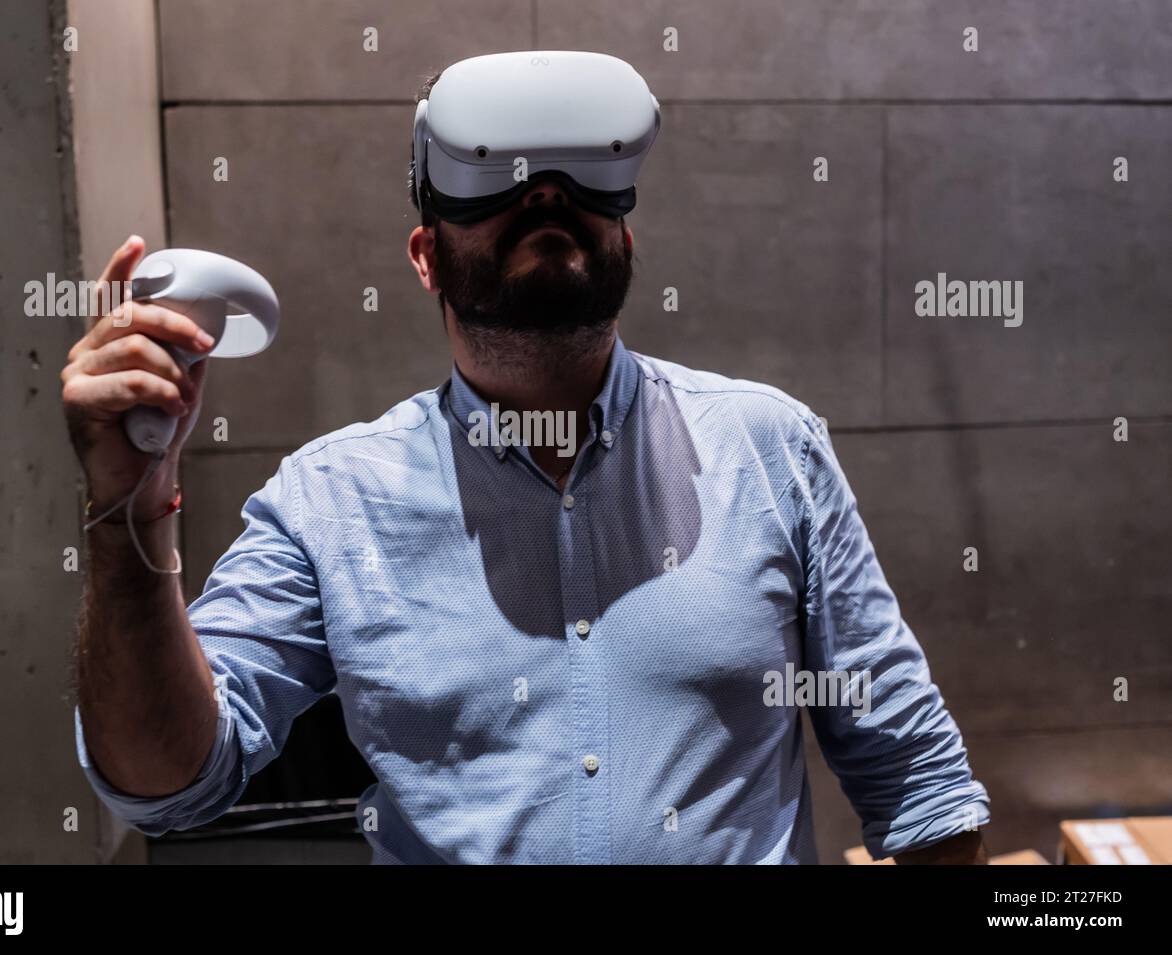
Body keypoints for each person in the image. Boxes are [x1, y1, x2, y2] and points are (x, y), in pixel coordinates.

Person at [63, 54, 989, 864]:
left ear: (626, 237)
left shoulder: (769, 449)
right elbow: (167, 783)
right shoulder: (331, 501)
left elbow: (918, 780)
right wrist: (126, 513)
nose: (546, 195)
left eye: (585, 181)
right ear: (427, 257)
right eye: (495, 181)